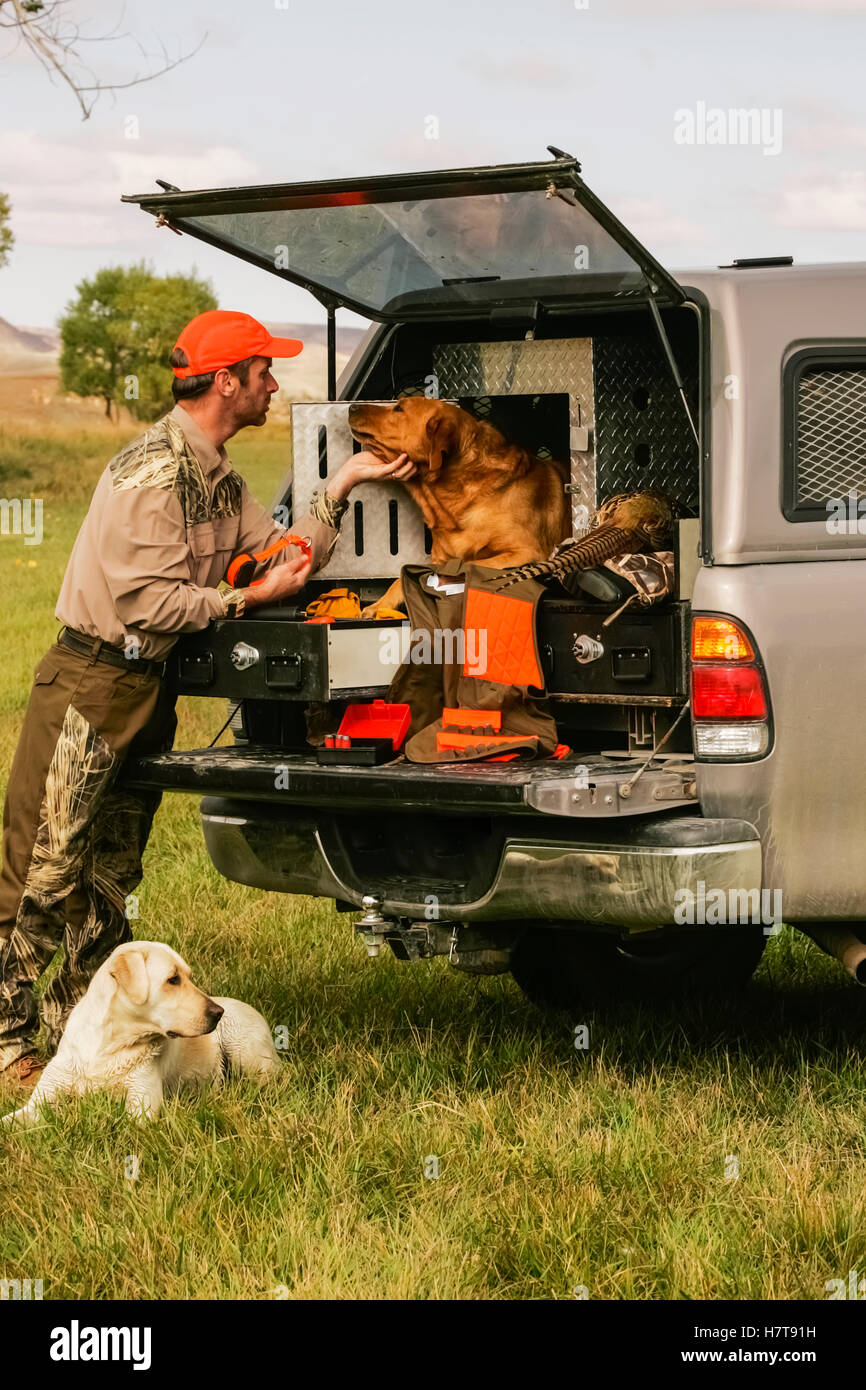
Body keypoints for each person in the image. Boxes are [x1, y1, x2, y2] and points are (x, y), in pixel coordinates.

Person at [0, 309, 414, 1087]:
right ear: (227, 381)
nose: (273, 383)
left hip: (145, 692)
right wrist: (246, 602)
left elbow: (285, 553)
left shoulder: (220, 479)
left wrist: (346, 481)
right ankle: (3, 1044)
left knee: (112, 875)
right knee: (41, 874)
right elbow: (147, 603)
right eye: (264, 369)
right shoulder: (149, 472)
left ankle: (71, 1037)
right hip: (89, 685)